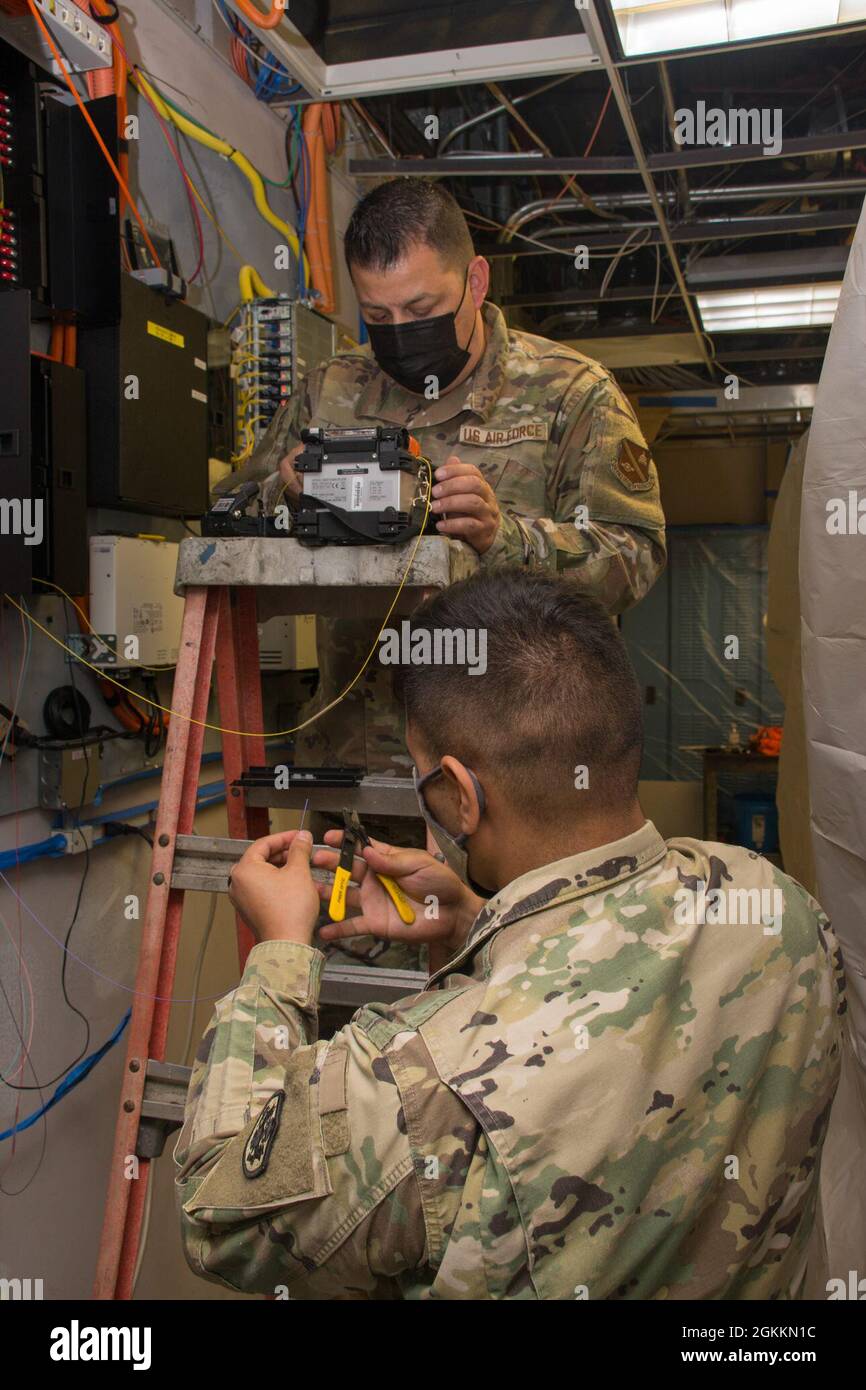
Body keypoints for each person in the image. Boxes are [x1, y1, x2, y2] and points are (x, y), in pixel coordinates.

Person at [175, 571, 845, 1300]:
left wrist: (280, 951)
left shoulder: (425, 1084)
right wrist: (474, 920)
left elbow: (220, 1219)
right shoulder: (775, 907)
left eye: (423, 781)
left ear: (460, 795)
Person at [222, 177, 666, 776]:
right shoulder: (330, 390)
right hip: (359, 762)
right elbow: (228, 513)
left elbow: (634, 556)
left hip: (517, 772)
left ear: (475, 282)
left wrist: (504, 539)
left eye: (421, 310)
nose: (400, 329)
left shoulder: (572, 394)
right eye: (377, 315)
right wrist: (286, 496)